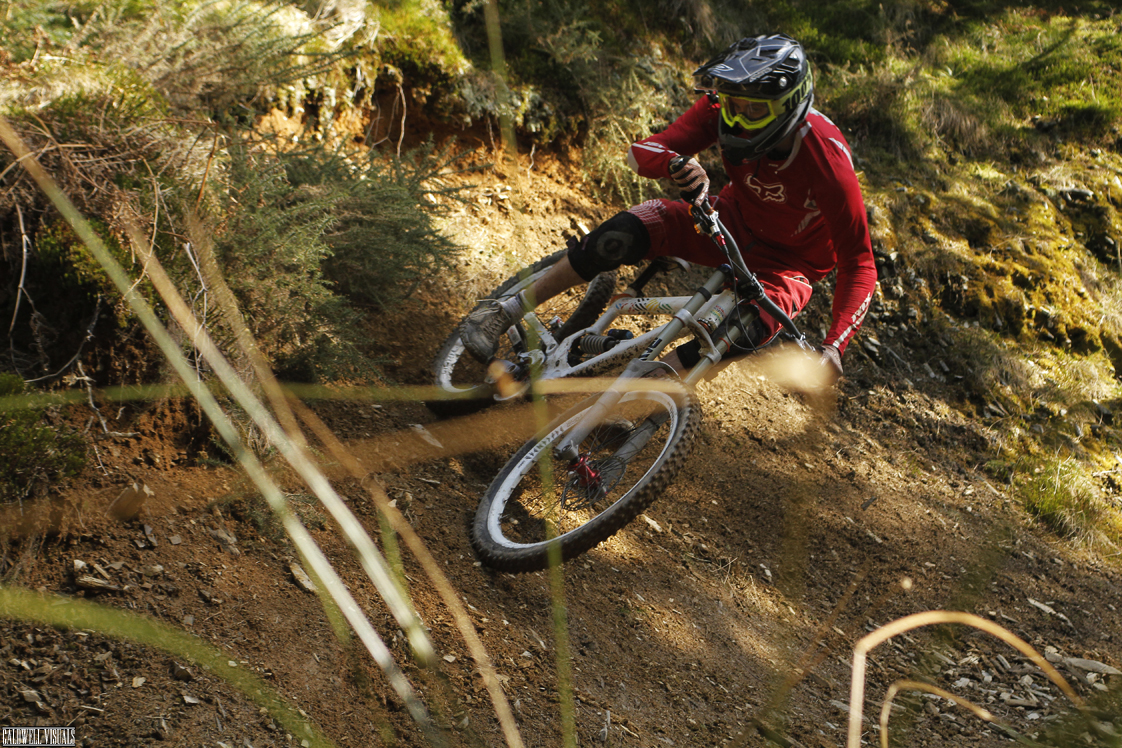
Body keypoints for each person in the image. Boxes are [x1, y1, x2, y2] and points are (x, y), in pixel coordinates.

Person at [460, 33, 876, 382]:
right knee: (621, 236)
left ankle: (636, 404)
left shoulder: (828, 162)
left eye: (754, 110)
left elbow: (859, 263)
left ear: (790, 104)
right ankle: (502, 312)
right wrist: (675, 162)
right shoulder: (719, 109)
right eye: (732, 103)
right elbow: (642, 151)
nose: (736, 118)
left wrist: (835, 344)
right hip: (728, 223)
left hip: (790, 268)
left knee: (738, 334)